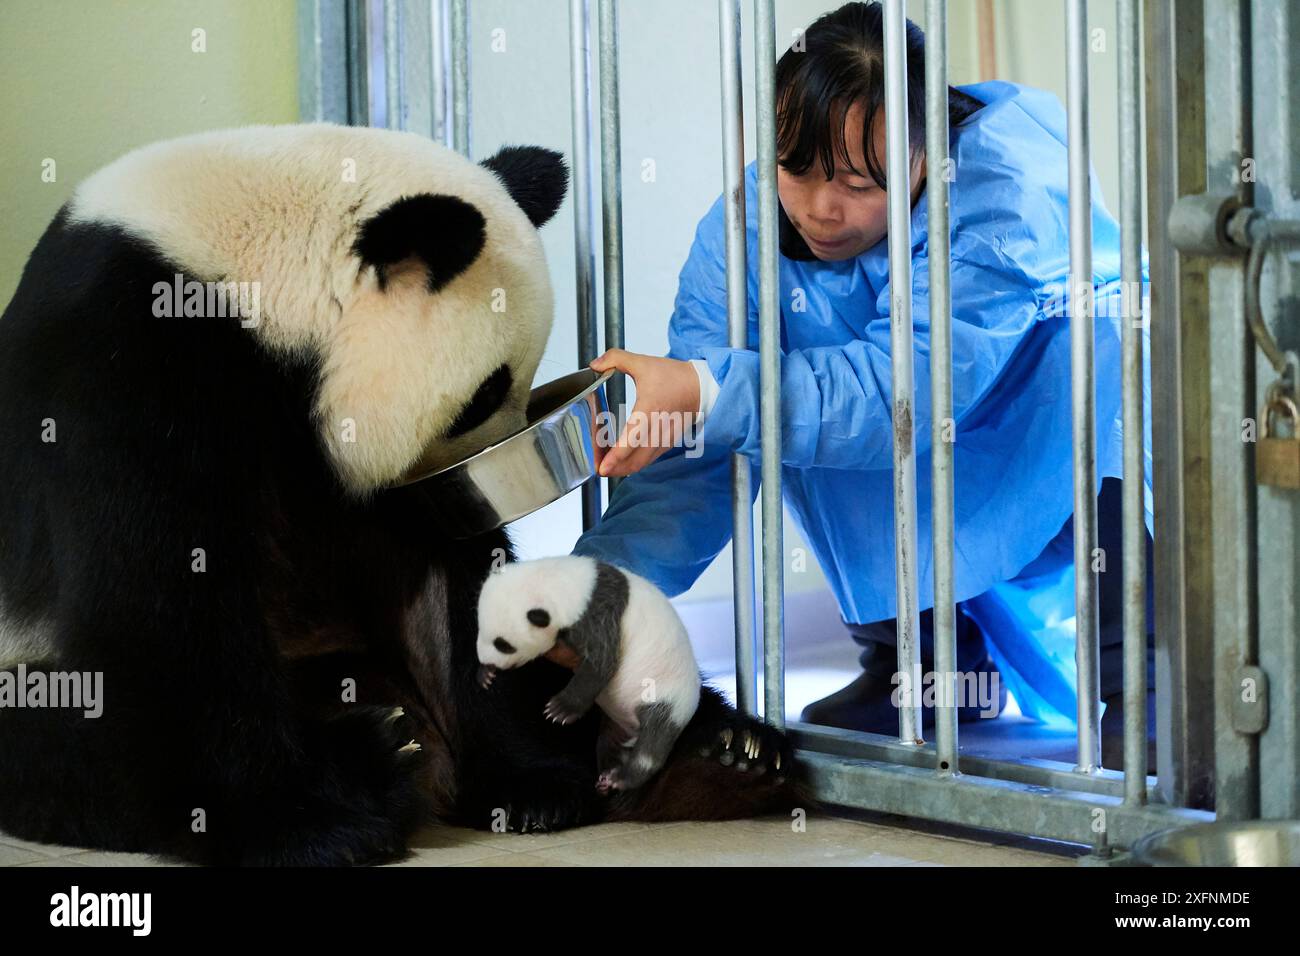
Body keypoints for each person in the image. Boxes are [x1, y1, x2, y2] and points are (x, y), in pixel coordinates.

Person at [571, 1, 1155, 769]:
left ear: (924, 154)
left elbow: (895, 402)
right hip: (890, 425)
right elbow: (705, 441)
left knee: (1092, 378)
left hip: (1034, 416)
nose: (820, 208)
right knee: (774, 398)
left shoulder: (996, 197)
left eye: (856, 181)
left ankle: (1141, 679)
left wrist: (713, 391)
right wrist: (596, 595)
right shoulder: (743, 234)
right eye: (797, 169)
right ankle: (922, 666)